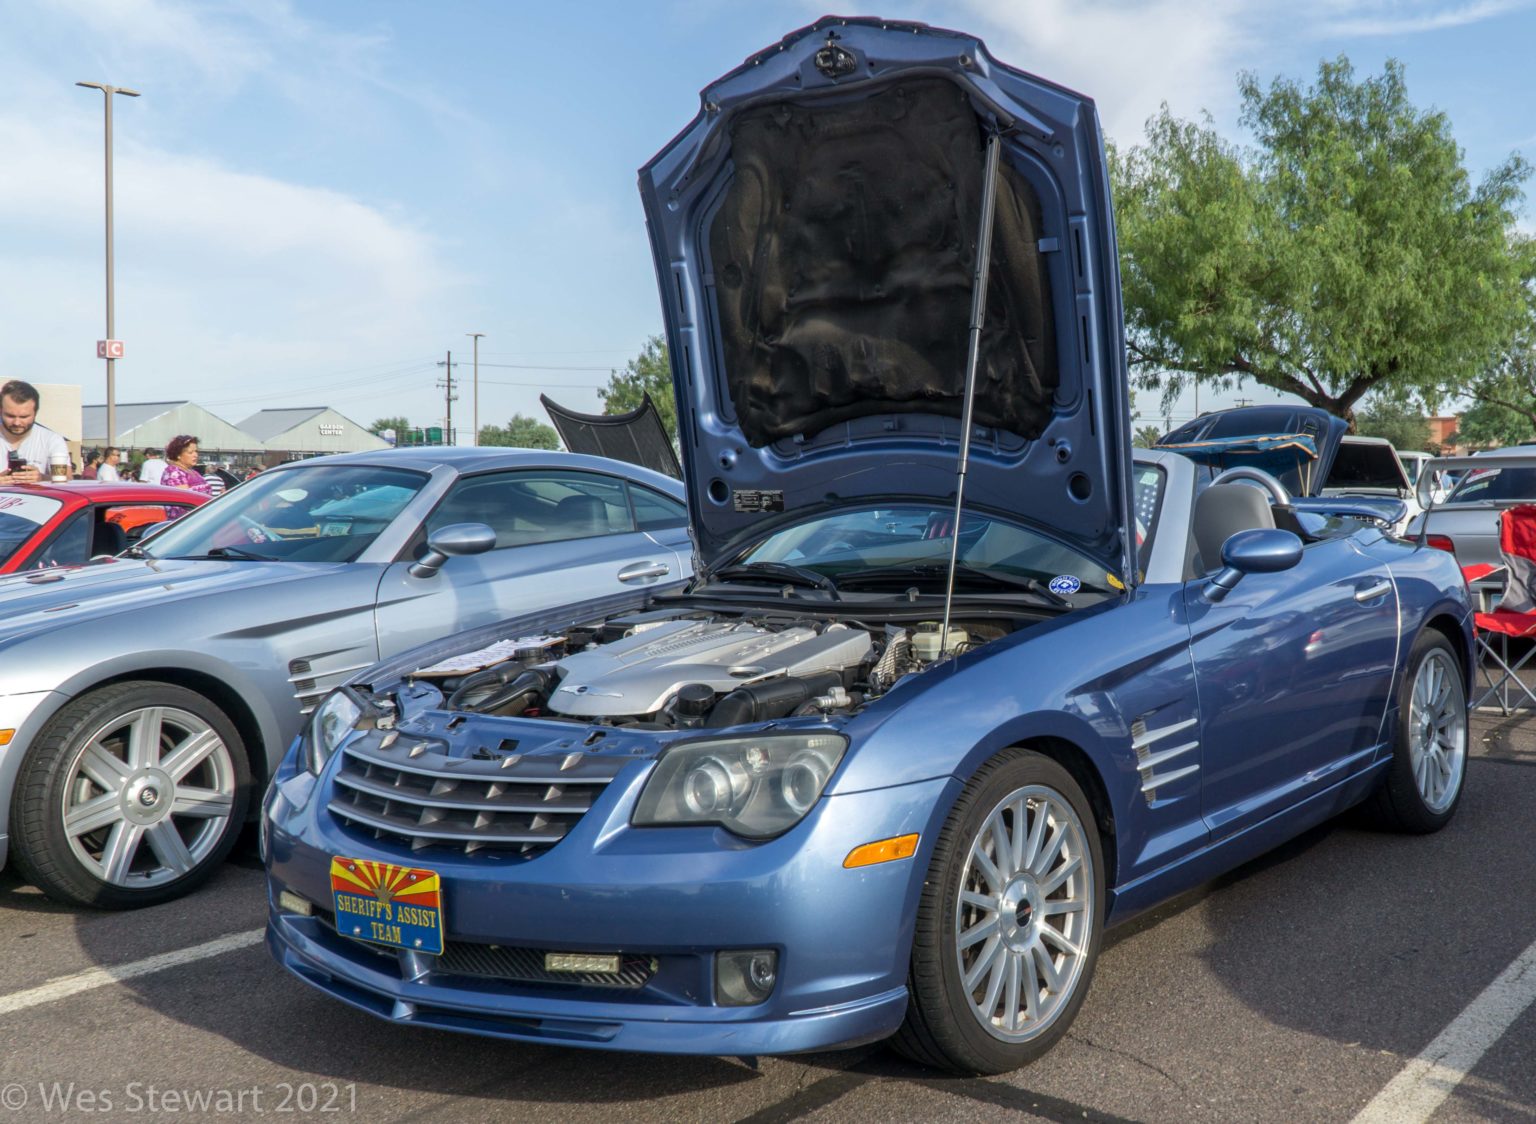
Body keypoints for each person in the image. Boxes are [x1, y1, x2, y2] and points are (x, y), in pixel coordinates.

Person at [0, 379, 71, 485]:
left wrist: (41, 478)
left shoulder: (52, 440)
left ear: (35, 413)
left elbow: (67, 479)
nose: (17, 422)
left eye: (24, 417)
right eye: (10, 416)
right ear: (0, 410)